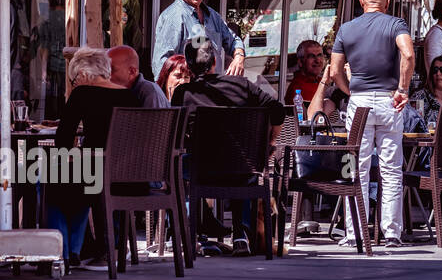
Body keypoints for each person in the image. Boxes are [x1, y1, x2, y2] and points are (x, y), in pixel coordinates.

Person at [172, 37, 285, 256]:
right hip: (243, 169)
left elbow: (176, 134)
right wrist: (271, 141)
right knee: (242, 166)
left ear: (189, 66)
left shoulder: (183, 93)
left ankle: (188, 233)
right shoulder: (242, 85)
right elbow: (278, 110)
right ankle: (241, 234)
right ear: (215, 61)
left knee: (174, 167)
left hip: (201, 170)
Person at [329, 0, 415, 249]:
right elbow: (409, 53)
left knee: (355, 167)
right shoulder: (395, 24)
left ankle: (354, 232)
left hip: (360, 102)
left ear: (360, 1)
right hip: (390, 100)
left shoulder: (346, 28)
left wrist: (349, 91)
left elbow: (334, 70)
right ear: (386, 3)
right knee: (390, 168)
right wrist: (402, 88)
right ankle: (391, 233)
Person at [46, 48, 128, 269]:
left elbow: (62, 140)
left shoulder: (82, 94)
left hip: (96, 175)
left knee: (49, 181)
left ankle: (62, 253)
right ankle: (80, 249)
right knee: (73, 182)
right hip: (130, 176)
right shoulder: (132, 94)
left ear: (82, 75)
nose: (73, 85)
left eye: (73, 81)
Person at [152, 0, 246, 80]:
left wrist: (239, 57)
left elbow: (233, 40)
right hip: (188, 94)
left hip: (212, 91)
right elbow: (162, 66)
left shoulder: (212, 16)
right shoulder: (173, 17)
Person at [107, 44, 168, 109]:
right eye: (105, 69)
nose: (105, 74)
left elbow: (154, 118)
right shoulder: (123, 92)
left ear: (132, 72)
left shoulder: (150, 91)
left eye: (111, 69)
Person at [283, 40, 327, 105]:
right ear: (300, 62)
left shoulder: (322, 81)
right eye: (311, 56)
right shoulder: (297, 89)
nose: (317, 60)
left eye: (320, 55)